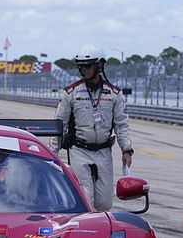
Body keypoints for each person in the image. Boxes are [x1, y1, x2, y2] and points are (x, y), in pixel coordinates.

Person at [55, 43, 133, 211]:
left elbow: (121, 124)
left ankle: (100, 224)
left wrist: (126, 149)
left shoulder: (114, 94)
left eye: (87, 66)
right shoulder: (70, 93)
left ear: (99, 65)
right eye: (80, 66)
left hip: (104, 152)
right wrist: (52, 154)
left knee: (104, 203)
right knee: (86, 198)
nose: (83, 70)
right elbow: (59, 125)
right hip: (79, 151)